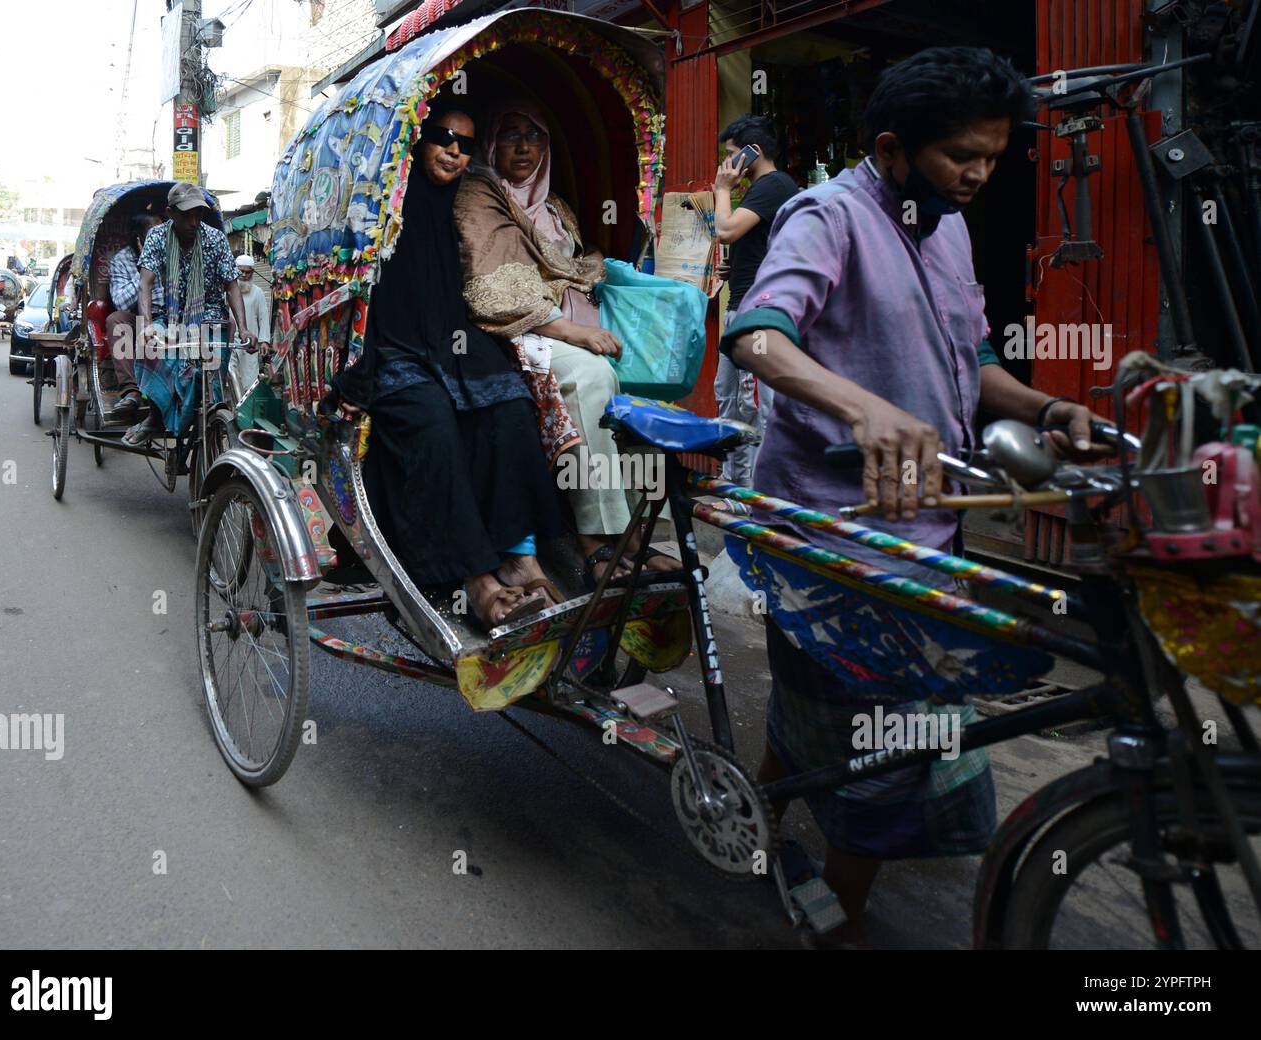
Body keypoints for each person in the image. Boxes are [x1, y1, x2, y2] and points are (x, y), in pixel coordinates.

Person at [721, 47, 1108, 945]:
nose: (979, 175)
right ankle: (840, 913)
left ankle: (764, 809)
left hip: (926, 526)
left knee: (825, 704)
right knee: (889, 745)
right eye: (960, 157)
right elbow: (758, 335)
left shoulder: (950, 227)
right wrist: (864, 411)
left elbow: (970, 362)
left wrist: (1049, 406)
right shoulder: (829, 216)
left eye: (992, 157)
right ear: (892, 150)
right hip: (833, 529)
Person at [331, 108, 564, 627]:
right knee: (432, 423)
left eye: (465, 143)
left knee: (510, 405)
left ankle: (520, 554)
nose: (454, 151)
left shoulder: (467, 201)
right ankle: (475, 578)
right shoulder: (383, 199)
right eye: (443, 139)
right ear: (418, 142)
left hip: (451, 341)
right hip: (390, 346)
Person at [454, 99, 675, 582]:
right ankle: (596, 538)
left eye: (534, 136)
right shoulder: (479, 194)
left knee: (639, 379)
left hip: (576, 323)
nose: (523, 147)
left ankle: (635, 532)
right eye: (511, 134)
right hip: (514, 332)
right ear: (493, 143)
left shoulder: (554, 206)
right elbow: (494, 287)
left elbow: (578, 262)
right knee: (592, 377)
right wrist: (574, 330)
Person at [125, 183, 252, 446]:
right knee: (150, 346)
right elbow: (145, 283)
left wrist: (244, 328)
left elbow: (231, 286)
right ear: (171, 213)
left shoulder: (215, 239)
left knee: (212, 377)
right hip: (171, 317)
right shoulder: (158, 237)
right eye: (186, 215)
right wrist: (147, 324)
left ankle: (214, 416)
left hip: (211, 318)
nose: (194, 221)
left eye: (199, 215)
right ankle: (155, 416)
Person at [713, 115, 798, 488]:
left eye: (732, 155)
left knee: (754, 404)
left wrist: (721, 189)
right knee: (728, 397)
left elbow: (726, 230)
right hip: (740, 306)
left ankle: (758, 500)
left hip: (757, 312)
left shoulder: (773, 184)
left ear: (754, 152)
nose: (726, 164)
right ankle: (733, 489)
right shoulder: (761, 189)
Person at [105, 212, 164, 419]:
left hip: (172, 318)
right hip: (138, 319)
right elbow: (120, 301)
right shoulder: (122, 260)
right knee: (115, 320)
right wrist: (143, 269)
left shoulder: (173, 254)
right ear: (138, 237)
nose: (160, 238)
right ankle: (131, 391)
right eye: (153, 233)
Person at [231, 253, 269, 395]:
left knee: (249, 381)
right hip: (230, 341)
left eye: (248, 272)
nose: (244, 275)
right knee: (229, 377)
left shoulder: (258, 292)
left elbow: (263, 318)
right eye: (241, 271)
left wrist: (264, 341)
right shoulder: (227, 292)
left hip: (249, 344)